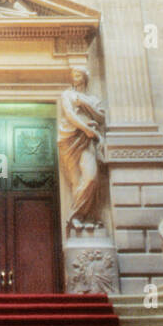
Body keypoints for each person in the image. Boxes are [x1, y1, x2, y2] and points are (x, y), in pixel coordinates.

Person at [57, 68, 106, 228]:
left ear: (85, 77)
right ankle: (79, 218)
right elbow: (70, 115)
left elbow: (101, 117)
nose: (75, 78)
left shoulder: (92, 99)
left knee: (91, 178)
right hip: (71, 138)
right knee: (76, 181)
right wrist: (86, 128)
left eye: (78, 75)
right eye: (73, 76)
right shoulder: (67, 94)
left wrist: (85, 103)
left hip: (87, 140)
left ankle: (78, 214)